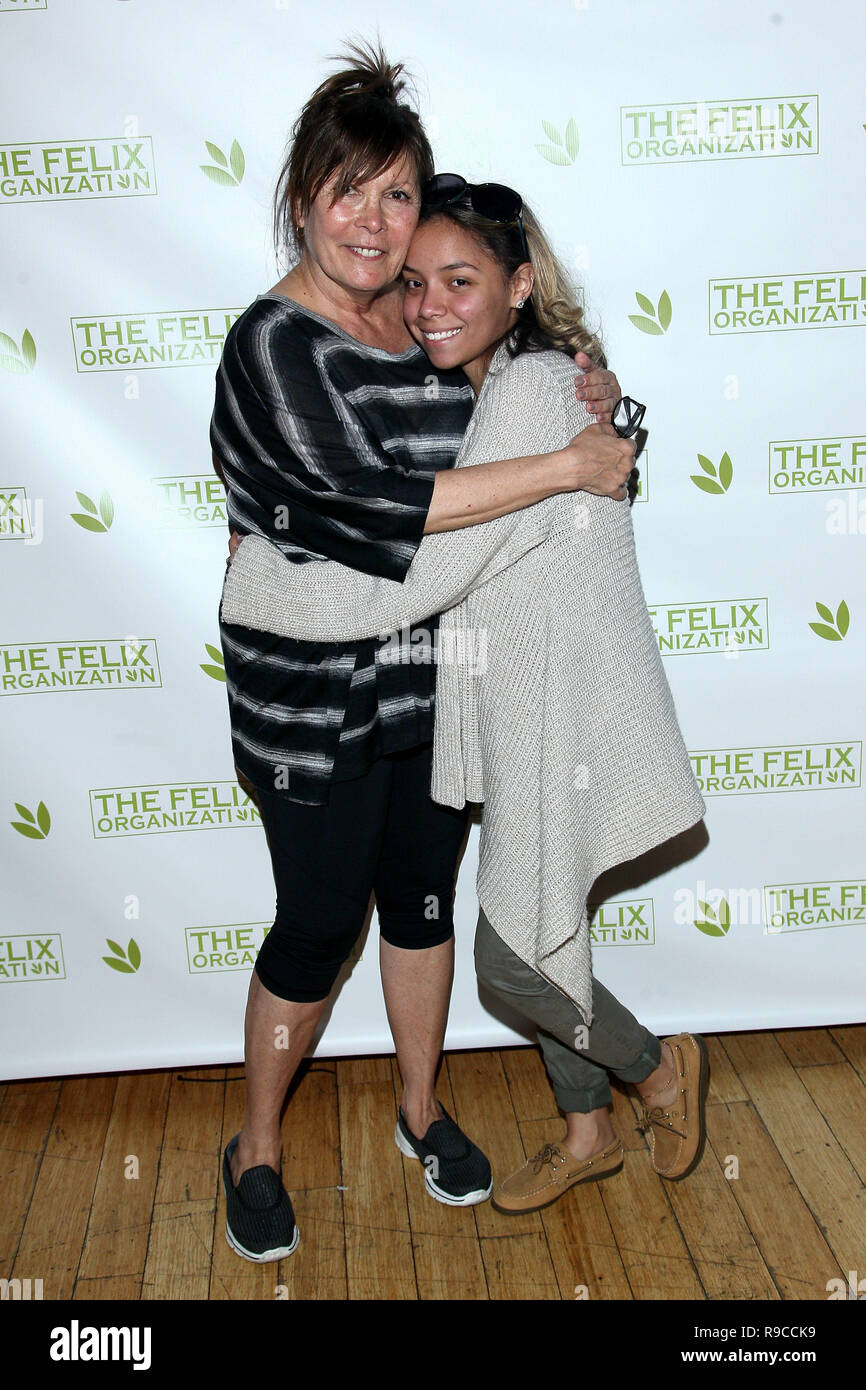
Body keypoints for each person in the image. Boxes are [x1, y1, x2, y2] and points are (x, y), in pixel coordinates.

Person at [210, 41, 630, 1260]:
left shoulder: (425, 316)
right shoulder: (273, 347)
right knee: (313, 923)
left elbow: (528, 360)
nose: (375, 221)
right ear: (302, 196)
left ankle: (418, 1106)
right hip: (313, 699)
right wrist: (560, 464)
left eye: (398, 192)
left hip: (431, 684)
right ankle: (258, 1147)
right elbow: (370, 509)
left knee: (421, 902)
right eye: (350, 189)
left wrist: (586, 393)